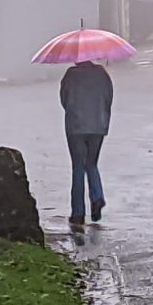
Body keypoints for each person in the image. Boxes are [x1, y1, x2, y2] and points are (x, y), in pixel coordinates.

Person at [59, 58, 114, 229]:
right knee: (91, 163)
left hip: (75, 127)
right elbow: (108, 98)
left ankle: (78, 214)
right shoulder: (102, 74)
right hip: (98, 125)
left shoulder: (70, 75)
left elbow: (64, 100)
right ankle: (97, 197)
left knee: (78, 167)